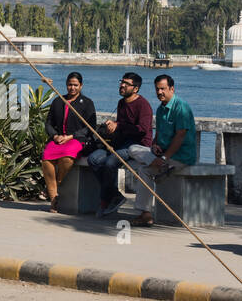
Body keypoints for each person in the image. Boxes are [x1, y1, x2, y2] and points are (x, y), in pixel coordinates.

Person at [133, 74, 197, 226]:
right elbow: (159, 134)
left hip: (179, 157)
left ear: (171, 89)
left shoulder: (181, 107)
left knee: (144, 169)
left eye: (163, 89)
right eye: (157, 89)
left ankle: (162, 165)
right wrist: (155, 146)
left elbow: (180, 135)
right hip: (163, 156)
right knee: (133, 149)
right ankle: (146, 214)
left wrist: (164, 158)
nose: (159, 92)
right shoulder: (161, 109)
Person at [86, 72, 153, 217]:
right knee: (94, 159)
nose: (122, 85)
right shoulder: (121, 103)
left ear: (135, 89)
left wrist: (119, 126)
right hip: (120, 143)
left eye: (126, 84)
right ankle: (115, 195)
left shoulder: (143, 105)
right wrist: (111, 127)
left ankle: (104, 201)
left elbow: (141, 130)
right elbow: (120, 126)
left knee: (110, 162)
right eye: (121, 82)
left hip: (137, 145)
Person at [42, 72, 97, 211]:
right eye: (70, 85)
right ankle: (54, 198)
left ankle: (54, 187)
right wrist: (55, 136)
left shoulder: (87, 103)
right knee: (46, 158)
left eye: (75, 85)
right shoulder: (58, 101)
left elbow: (90, 127)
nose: (72, 88)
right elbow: (48, 123)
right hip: (59, 139)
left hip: (77, 140)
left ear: (81, 86)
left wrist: (71, 137)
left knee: (67, 157)